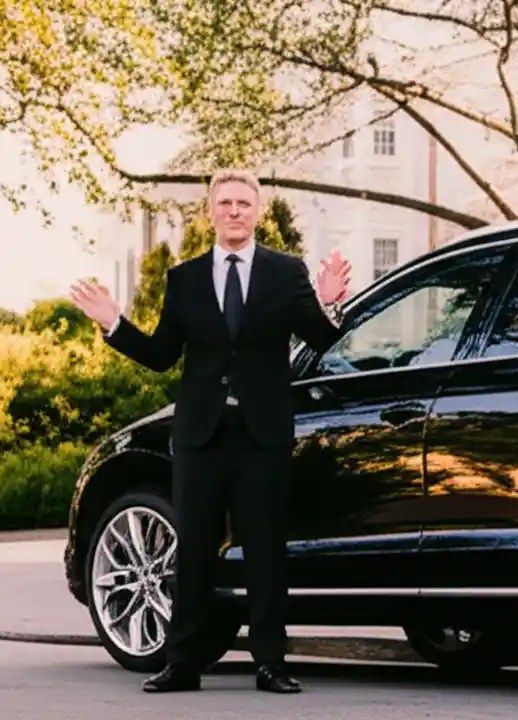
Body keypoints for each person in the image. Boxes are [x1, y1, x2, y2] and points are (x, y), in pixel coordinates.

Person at [68, 169, 351, 694]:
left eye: (244, 202)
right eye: (226, 202)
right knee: (192, 549)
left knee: (265, 550)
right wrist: (115, 324)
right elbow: (160, 355)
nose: (235, 210)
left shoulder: (285, 273)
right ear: (211, 212)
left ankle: (271, 662)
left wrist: (329, 301)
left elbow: (318, 338)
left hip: (261, 436)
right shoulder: (184, 279)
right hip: (200, 436)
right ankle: (182, 663)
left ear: (258, 212)